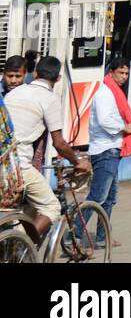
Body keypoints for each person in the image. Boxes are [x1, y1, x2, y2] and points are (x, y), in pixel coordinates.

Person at [6, 56, 92, 246]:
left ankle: (15, 245)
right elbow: (59, 143)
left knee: (23, 211)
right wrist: (78, 160)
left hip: (5, 165)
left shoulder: (14, 93)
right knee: (52, 207)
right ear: (58, 78)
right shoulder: (50, 99)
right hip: (19, 165)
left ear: (34, 73)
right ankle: (24, 245)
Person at [87, 57, 131, 247]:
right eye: (121, 73)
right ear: (111, 71)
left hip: (113, 149)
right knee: (98, 196)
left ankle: (102, 237)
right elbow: (105, 121)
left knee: (109, 198)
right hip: (105, 149)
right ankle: (73, 233)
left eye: (126, 74)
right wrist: (126, 127)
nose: (123, 77)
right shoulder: (105, 93)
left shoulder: (114, 93)